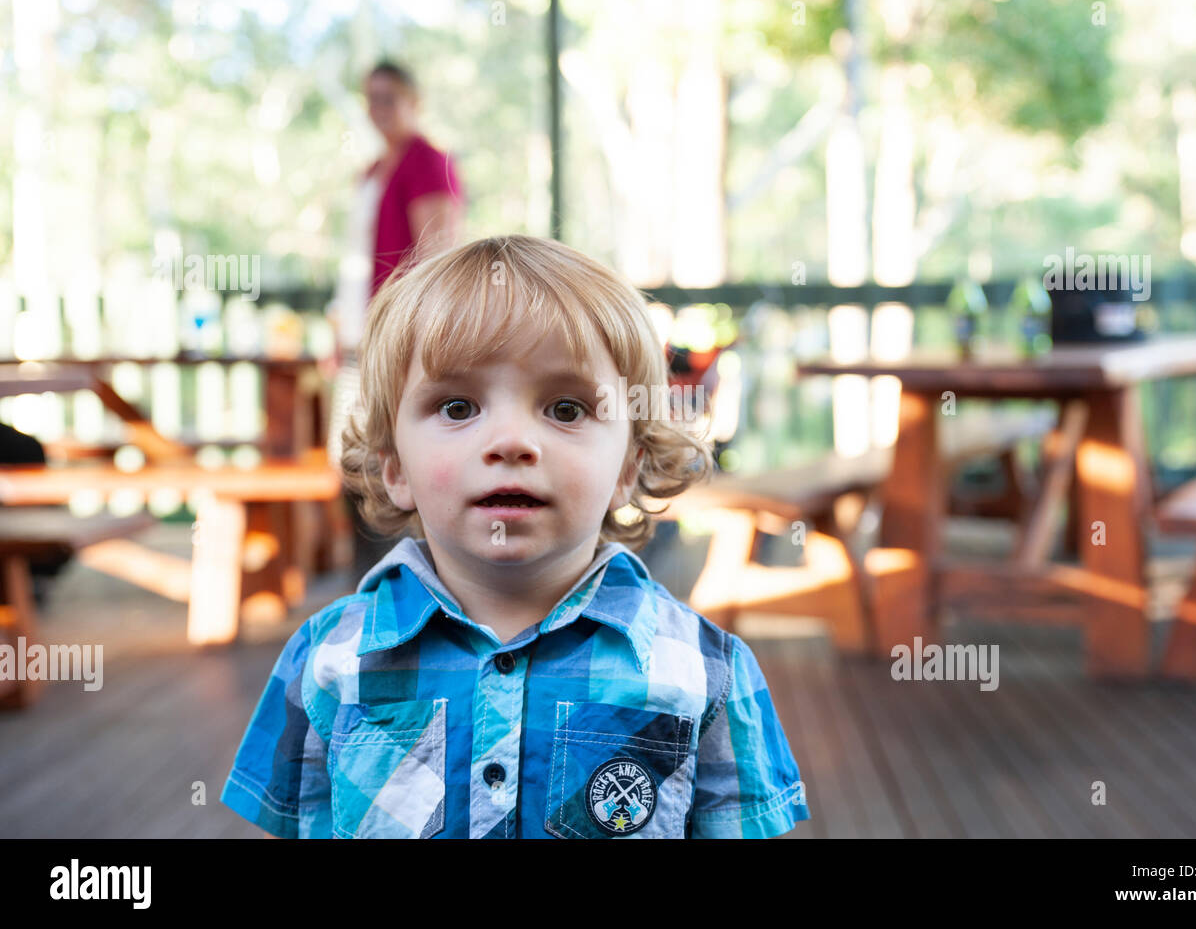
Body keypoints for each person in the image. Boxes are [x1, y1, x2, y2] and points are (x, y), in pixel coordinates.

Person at [220, 235, 810, 839]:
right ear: (393, 465)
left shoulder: (706, 673)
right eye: (456, 406)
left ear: (628, 466)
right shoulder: (327, 660)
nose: (510, 441)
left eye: (566, 409)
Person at [325, 60, 465, 584]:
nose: (377, 109)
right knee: (355, 461)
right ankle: (368, 590)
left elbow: (435, 251)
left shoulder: (427, 160)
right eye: (370, 98)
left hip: (395, 338)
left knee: (391, 458)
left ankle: (409, 588)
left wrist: (417, 337)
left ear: (413, 100)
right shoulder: (371, 169)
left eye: (388, 97)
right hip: (357, 338)